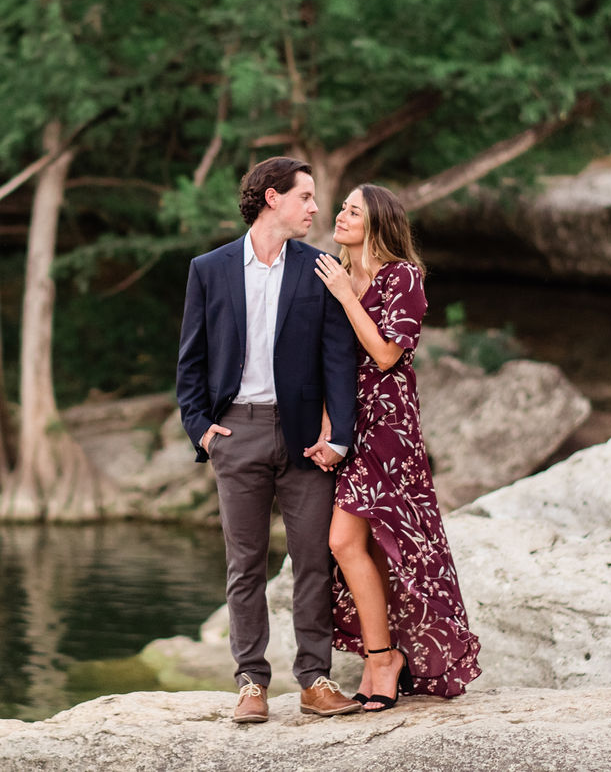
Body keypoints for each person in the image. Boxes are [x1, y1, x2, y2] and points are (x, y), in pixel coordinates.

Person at [176, 156, 364, 724]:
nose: (315, 208)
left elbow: (339, 359)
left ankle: (314, 679)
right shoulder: (209, 269)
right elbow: (191, 360)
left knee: (312, 561)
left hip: (307, 438)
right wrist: (202, 431)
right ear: (271, 199)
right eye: (305, 197)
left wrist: (342, 436)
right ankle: (252, 684)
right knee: (245, 565)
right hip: (237, 432)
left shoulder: (320, 268)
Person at [314, 183, 481, 711]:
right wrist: (326, 430)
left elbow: (385, 353)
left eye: (352, 210)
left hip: (389, 430)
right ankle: (379, 657)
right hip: (348, 423)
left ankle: (383, 657)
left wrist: (345, 294)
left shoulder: (402, 277)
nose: (339, 215)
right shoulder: (336, 274)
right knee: (371, 548)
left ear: (378, 224)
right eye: (340, 207)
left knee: (344, 541)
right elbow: (329, 362)